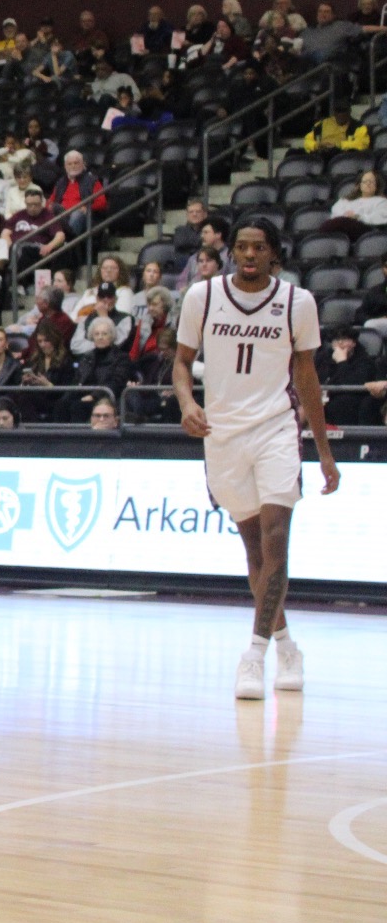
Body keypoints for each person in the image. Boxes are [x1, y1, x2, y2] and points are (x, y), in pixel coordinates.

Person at [172, 217, 338, 702]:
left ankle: (254, 654)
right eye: (241, 247)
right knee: (254, 553)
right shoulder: (202, 298)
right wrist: (187, 403)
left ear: (273, 254)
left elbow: (307, 378)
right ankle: (287, 643)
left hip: (277, 427)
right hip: (222, 432)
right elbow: (181, 362)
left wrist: (325, 452)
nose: (248, 254)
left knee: (276, 538)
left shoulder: (297, 303)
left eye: (258, 247)